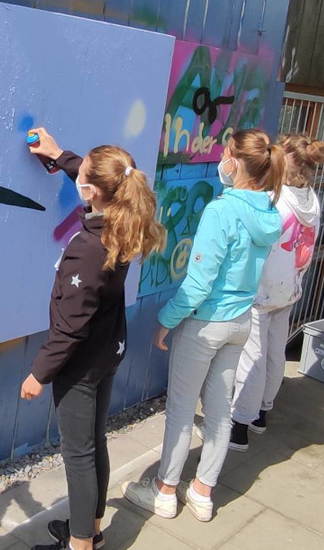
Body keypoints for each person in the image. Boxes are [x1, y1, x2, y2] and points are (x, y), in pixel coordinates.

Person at [123, 130, 284, 522]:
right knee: (219, 411)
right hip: (240, 322)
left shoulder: (221, 211)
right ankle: (203, 491)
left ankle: (164, 491)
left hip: (205, 323)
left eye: (225, 154)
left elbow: (198, 283)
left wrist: (166, 320)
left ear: (236, 163)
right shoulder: (269, 213)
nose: (220, 161)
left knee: (180, 409)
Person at [21, 129, 164, 550]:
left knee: (78, 454)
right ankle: (93, 529)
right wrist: (58, 154)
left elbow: (69, 327)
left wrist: (39, 374)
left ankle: (80, 544)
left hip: (79, 364)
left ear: (92, 192)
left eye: (81, 175)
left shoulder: (87, 247)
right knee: (93, 442)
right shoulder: (121, 223)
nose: (77, 176)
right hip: (107, 352)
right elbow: (95, 178)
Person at [228, 132, 324, 452]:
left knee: (252, 356)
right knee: (273, 350)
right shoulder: (310, 199)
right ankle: (261, 413)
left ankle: (239, 425)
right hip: (291, 287)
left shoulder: (276, 199)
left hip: (263, 288)